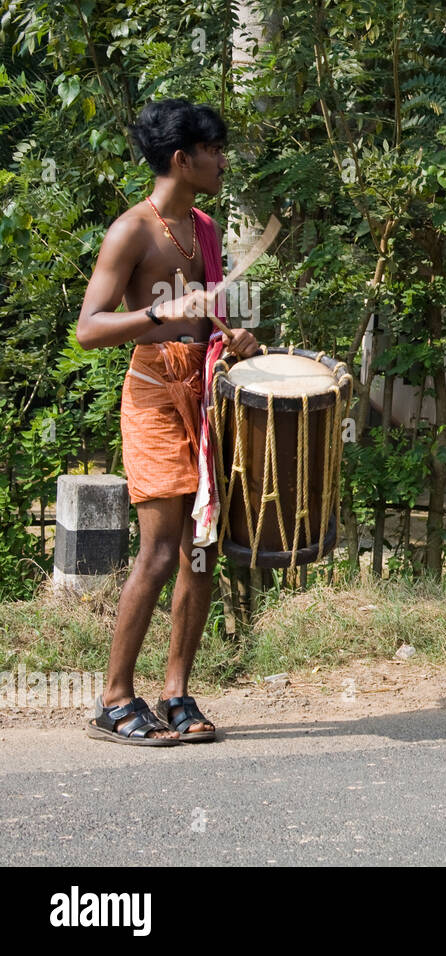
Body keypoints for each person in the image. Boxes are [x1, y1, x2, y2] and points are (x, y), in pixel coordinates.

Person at [77, 99, 259, 745]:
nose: (221, 160)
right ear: (183, 159)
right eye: (213, 150)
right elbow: (88, 329)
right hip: (154, 392)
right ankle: (114, 699)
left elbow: (220, 317)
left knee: (201, 550)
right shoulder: (132, 231)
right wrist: (161, 314)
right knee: (156, 553)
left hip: (204, 391)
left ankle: (176, 689)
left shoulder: (205, 228)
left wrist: (237, 336)